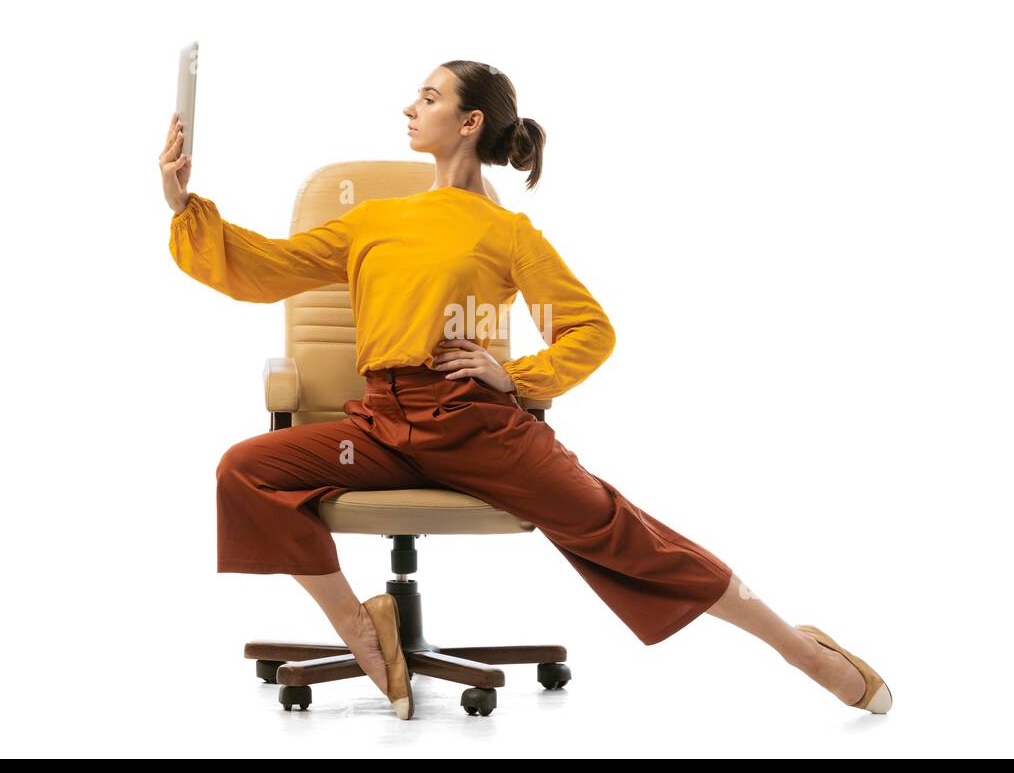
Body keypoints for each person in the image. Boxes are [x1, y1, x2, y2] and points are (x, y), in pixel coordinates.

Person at [157, 60, 892, 718]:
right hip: (381, 425)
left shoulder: (508, 233)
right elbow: (264, 268)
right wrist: (183, 203)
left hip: (479, 431)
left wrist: (517, 376)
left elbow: (589, 331)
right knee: (245, 468)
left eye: (429, 96)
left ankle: (800, 649)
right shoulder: (373, 219)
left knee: (626, 534)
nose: (410, 108)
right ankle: (360, 627)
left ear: (470, 122)